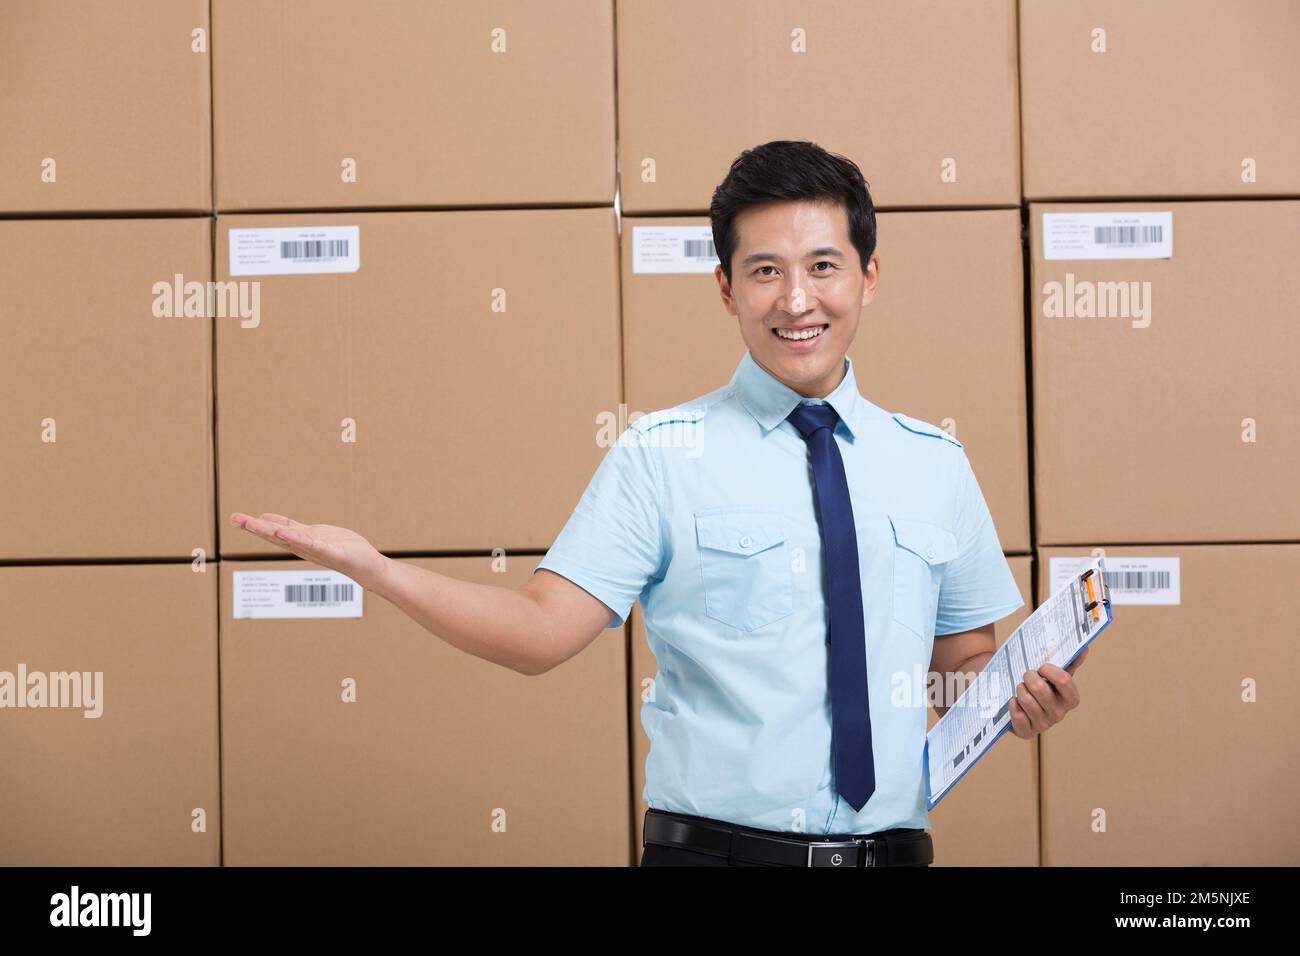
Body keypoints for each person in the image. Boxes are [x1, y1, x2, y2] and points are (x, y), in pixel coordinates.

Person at [231, 139, 1087, 868]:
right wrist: (377, 571)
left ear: (867, 277)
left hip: (892, 854)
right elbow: (538, 635)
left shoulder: (933, 462)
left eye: (823, 266)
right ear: (725, 288)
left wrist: (1014, 695)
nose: (796, 300)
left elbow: (958, 665)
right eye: (764, 272)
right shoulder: (661, 455)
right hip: (713, 855)